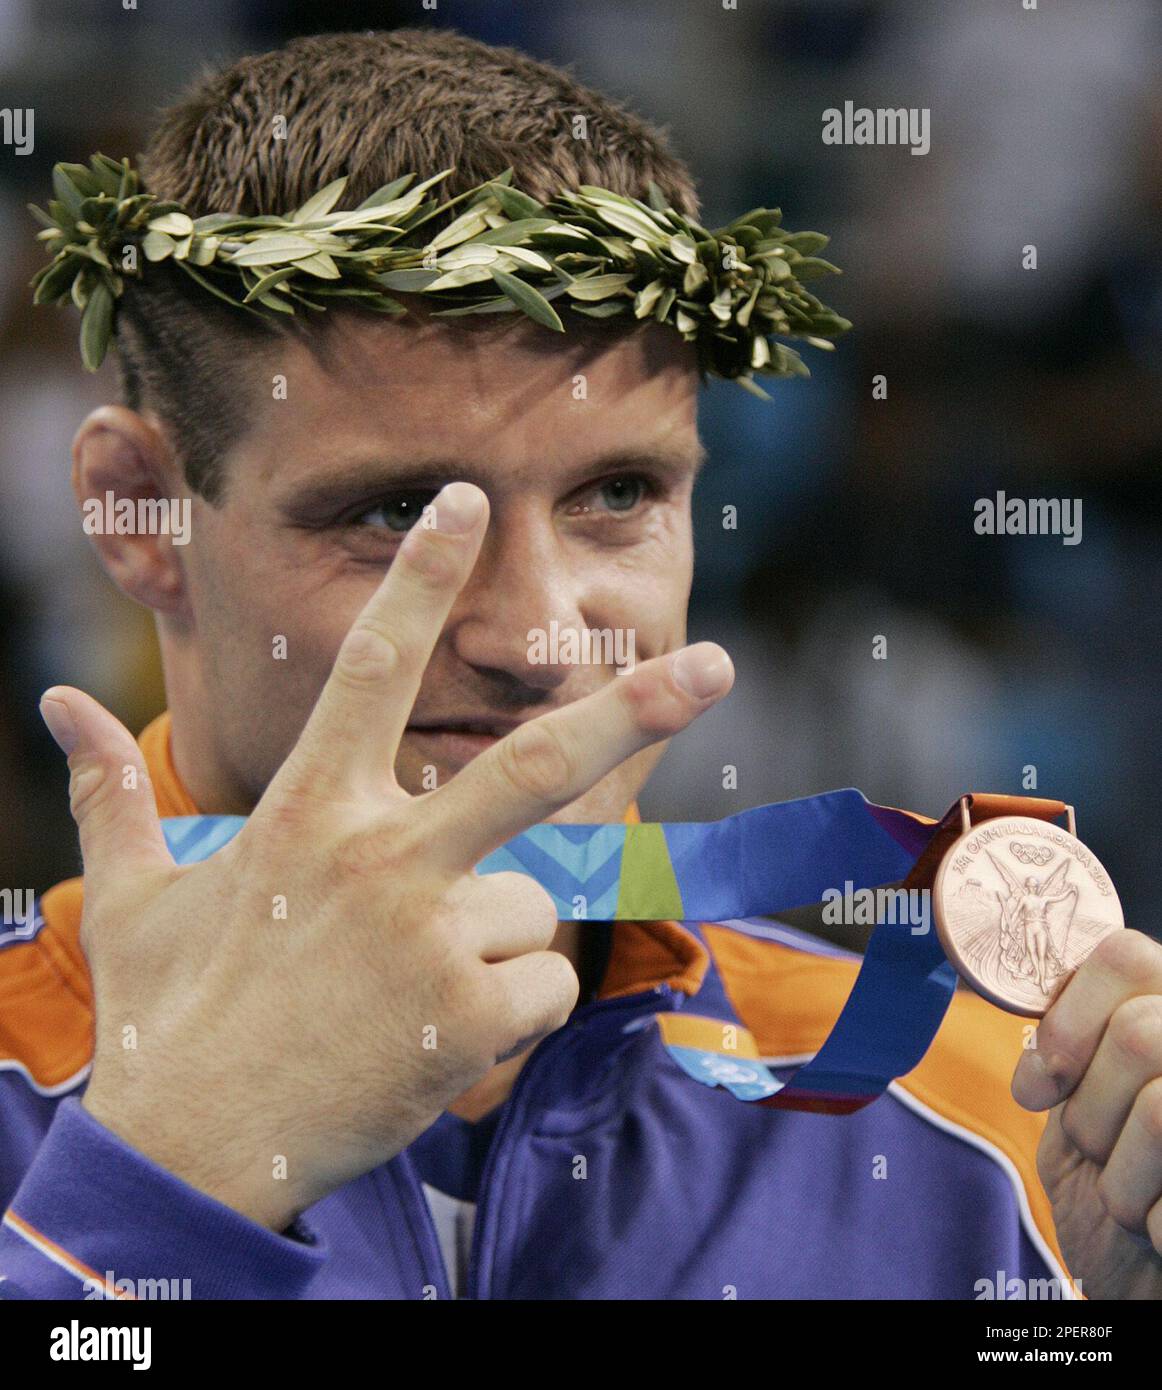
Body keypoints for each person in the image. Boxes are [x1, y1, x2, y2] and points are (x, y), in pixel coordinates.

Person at [3, 27, 1161, 1302]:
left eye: (617, 494)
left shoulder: (1007, 1135)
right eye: (398, 514)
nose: (536, 639)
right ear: (137, 512)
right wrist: (164, 1190)